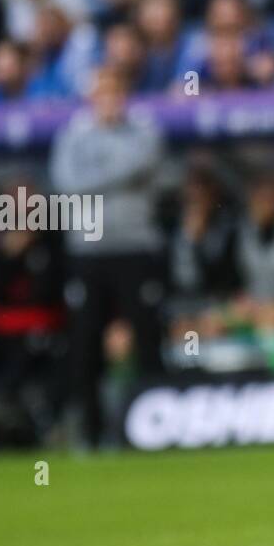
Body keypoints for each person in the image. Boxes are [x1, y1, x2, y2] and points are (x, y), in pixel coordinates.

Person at [49, 65, 167, 447]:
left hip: (136, 248)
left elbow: (146, 160)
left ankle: (156, 427)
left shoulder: (144, 129)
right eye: (102, 91)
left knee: (147, 338)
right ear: (90, 97)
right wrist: (119, 176)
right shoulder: (72, 135)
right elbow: (67, 182)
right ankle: (91, 433)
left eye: (115, 90)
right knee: (84, 343)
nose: (108, 99)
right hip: (89, 251)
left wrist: (95, 177)